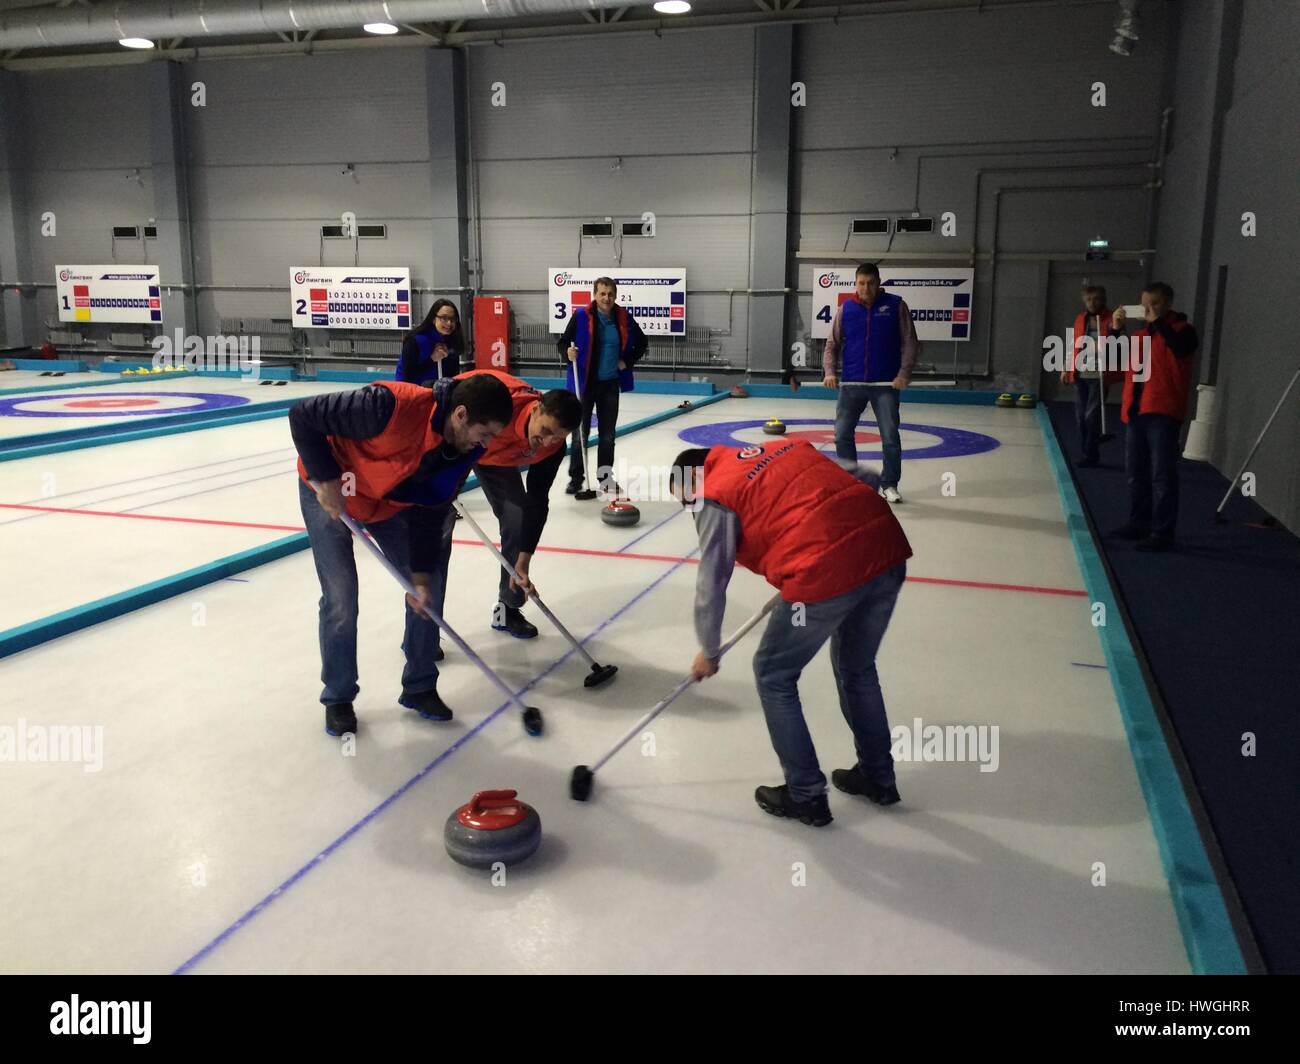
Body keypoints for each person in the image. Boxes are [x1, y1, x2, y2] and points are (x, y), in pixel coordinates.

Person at [670, 438, 913, 827]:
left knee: (774, 675)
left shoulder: (711, 493)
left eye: (685, 501)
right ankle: (878, 777)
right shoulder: (784, 448)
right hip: (884, 548)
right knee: (857, 669)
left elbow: (713, 578)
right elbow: (861, 476)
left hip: (824, 574)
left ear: (694, 479)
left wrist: (709, 649)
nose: (690, 509)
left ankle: (806, 795)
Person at [290, 372, 513, 737]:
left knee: (429, 590)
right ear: (460, 415)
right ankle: (339, 697)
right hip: (329, 493)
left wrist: (421, 577)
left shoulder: (462, 453)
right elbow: (302, 415)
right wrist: (325, 477)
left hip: (384, 502)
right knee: (341, 596)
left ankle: (420, 686)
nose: (485, 443)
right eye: (484, 432)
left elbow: (430, 510)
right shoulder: (388, 407)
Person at [468, 370, 582, 638]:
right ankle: (423, 633)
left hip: (500, 458)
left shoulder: (553, 447)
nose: (548, 441)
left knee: (518, 519)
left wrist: (523, 561)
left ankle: (507, 609)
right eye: (545, 431)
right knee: (438, 533)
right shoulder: (497, 404)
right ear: (536, 409)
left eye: (557, 436)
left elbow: (537, 501)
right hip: (470, 445)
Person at [1110, 282, 1199, 552]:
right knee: (1136, 473)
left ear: (1168, 304)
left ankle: (1163, 532)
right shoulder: (1140, 336)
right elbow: (1115, 360)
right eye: (1145, 304)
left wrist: (1159, 322)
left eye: (1155, 304)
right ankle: (1139, 522)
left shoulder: (1184, 331)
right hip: (1136, 411)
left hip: (1163, 412)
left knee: (1162, 475)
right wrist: (1116, 330)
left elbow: (1181, 349)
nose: (1149, 310)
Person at [821, 262, 919, 503]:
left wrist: (904, 373)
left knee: (890, 437)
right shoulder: (846, 309)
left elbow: (909, 342)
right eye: (861, 283)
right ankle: (851, 482)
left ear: (879, 282)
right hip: (851, 384)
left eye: (871, 283)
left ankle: (889, 484)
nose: (866, 287)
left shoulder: (896, 305)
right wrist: (829, 372)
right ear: (856, 284)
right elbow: (832, 345)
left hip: (885, 385)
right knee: (842, 434)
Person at [556, 276, 648, 496]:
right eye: (602, 293)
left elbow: (642, 342)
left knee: (608, 435)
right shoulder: (581, 316)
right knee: (580, 433)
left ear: (615, 296)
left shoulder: (623, 317)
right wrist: (567, 354)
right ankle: (576, 478)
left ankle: (605, 479)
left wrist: (627, 361)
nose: (606, 298)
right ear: (594, 295)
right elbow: (562, 342)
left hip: (609, 385)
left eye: (610, 294)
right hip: (586, 384)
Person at [1062, 285, 1123, 467]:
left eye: (1095, 299)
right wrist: (1066, 368)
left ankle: (1091, 454)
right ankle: (1087, 449)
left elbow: (1119, 344)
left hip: (1099, 375)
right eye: (1088, 299)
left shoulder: (1112, 319)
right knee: (1081, 416)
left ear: (1103, 299)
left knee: (1091, 416)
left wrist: (1115, 331)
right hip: (1081, 374)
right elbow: (1073, 344)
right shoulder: (1081, 319)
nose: (1092, 303)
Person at [397, 299, 465, 386]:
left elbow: (453, 375)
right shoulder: (415, 339)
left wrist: (447, 358)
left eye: (453, 319)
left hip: (437, 390)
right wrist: (432, 359)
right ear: (433, 319)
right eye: (444, 318)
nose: (449, 323)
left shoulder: (452, 341)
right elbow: (408, 374)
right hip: (411, 390)